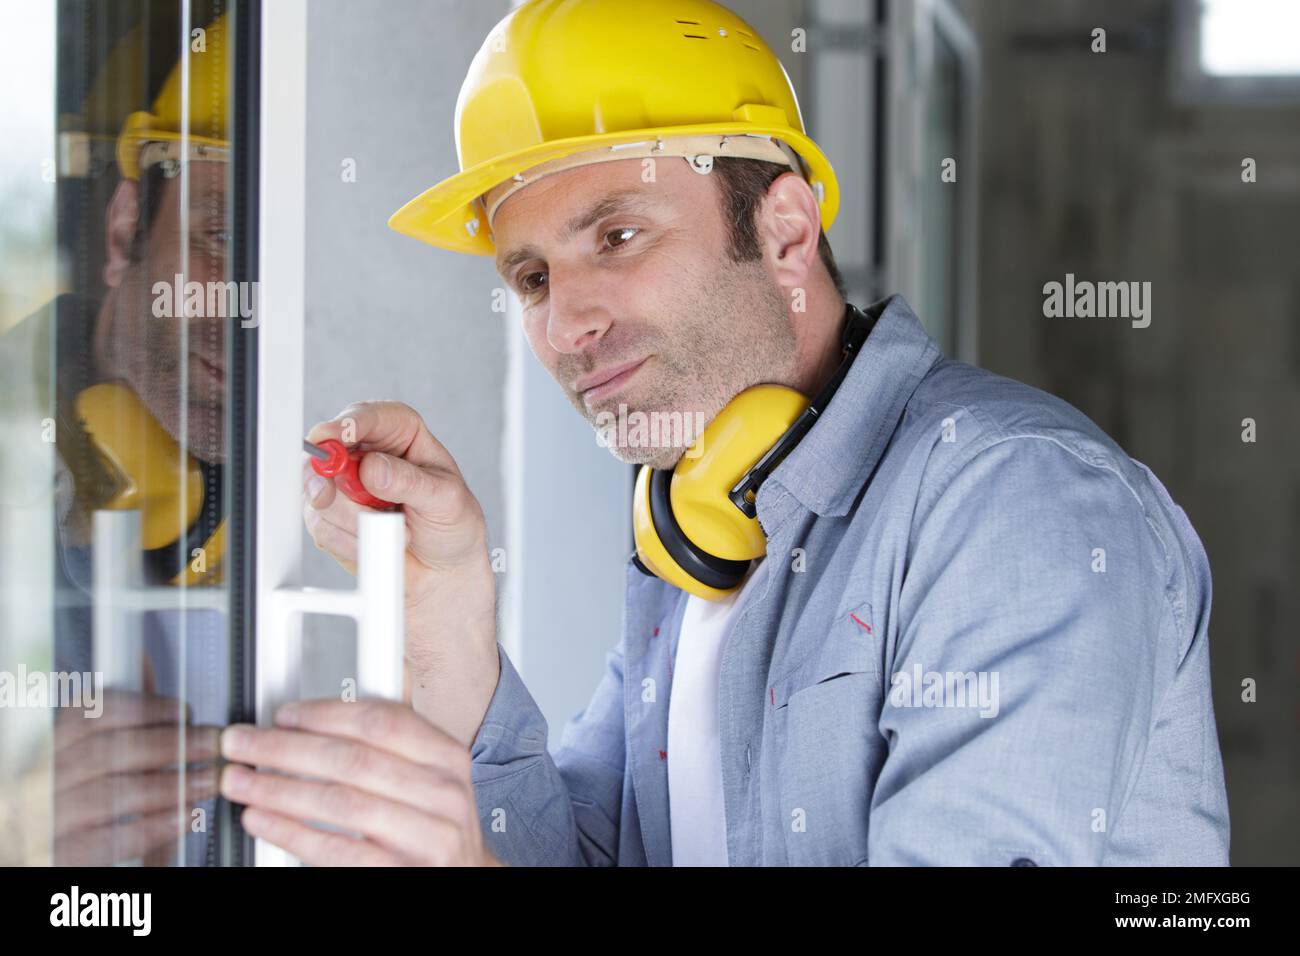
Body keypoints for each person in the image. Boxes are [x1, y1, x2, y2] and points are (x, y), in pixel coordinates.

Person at [220, 0, 1230, 866]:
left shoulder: (1017, 505)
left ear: (785, 233)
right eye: (531, 278)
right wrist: (446, 616)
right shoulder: (701, 532)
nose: (565, 322)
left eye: (616, 235)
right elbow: (576, 851)